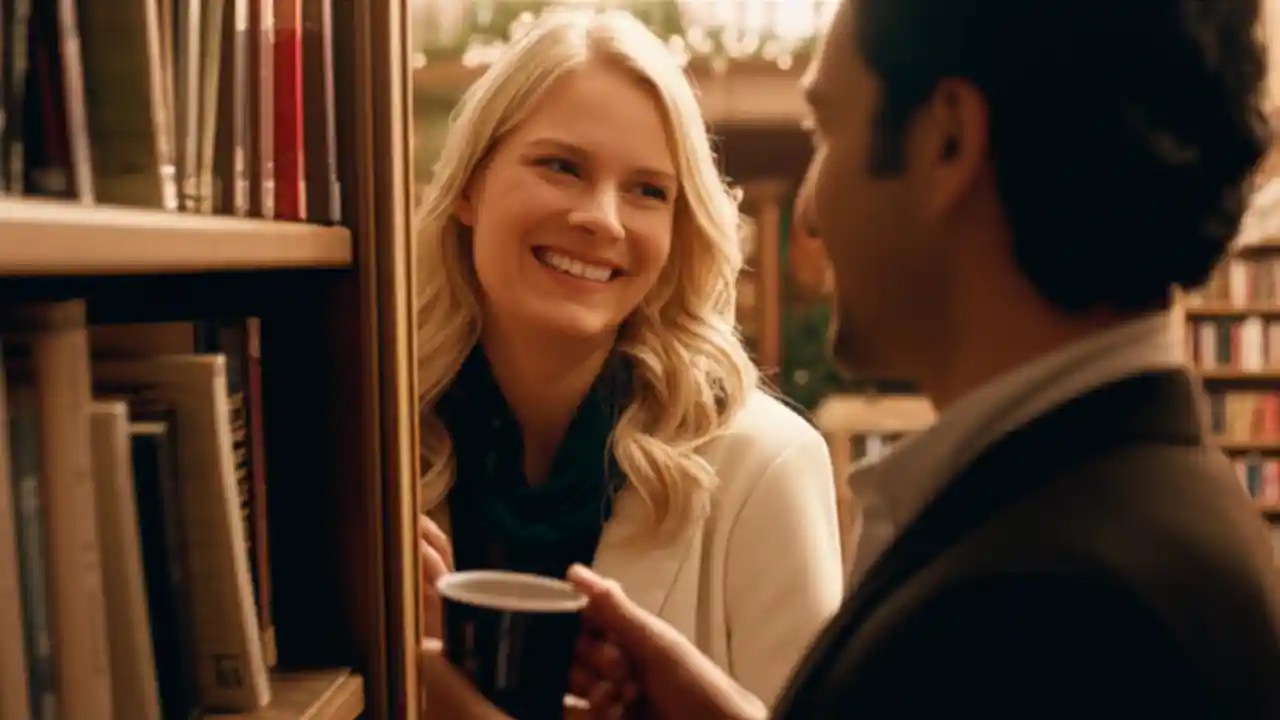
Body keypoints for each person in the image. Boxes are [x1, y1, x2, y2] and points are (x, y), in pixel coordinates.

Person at [420, 0, 1280, 716]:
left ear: (947, 142)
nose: (812, 216)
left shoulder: (1054, 604)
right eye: (561, 168)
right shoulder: (1091, 533)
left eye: (824, 132)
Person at [413, 7, 844, 710]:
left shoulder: (766, 465)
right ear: (468, 185)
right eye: (562, 166)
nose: (603, 220)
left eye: (648, 191)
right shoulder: (378, 446)